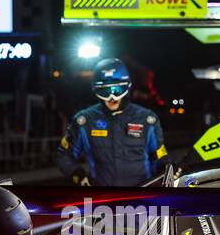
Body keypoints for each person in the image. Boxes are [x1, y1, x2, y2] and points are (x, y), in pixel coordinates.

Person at [56, 58, 167, 186]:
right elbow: (63, 155)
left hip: (141, 199)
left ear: (127, 87)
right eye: (105, 91)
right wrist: (78, 175)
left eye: (117, 90)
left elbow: (159, 156)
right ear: (95, 90)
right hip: (104, 200)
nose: (111, 98)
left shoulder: (147, 119)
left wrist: (165, 168)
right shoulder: (84, 121)